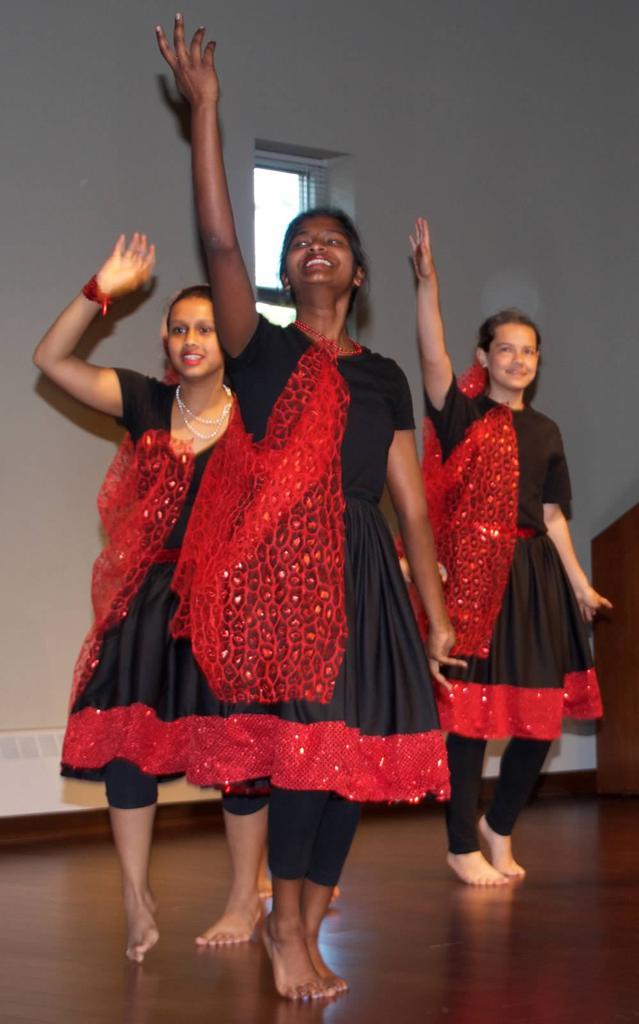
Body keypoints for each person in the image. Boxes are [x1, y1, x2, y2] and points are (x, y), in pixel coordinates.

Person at [155, 16, 461, 1001]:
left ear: (357, 273)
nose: (316, 247)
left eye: (334, 240)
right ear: (290, 275)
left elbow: (410, 503)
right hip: (291, 576)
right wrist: (207, 113)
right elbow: (215, 237)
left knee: (350, 758)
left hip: (367, 578)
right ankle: (282, 927)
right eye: (302, 242)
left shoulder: (381, 382)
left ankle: (309, 921)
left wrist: (439, 610)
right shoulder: (264, 353)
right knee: (301, 751)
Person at [33, 234, 241, 960]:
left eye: (206, 328)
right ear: (164, 337)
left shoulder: (256, 416)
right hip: (148, 599)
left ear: (230, 341)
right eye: (180, 327)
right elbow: (50, 361)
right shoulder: (146, 401)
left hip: (228, 601)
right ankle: (133, 893)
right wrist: (100, 290)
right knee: (128, 745)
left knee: (238, 750)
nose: (190, 340)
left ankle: (247, 895)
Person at [409, 216, 611, 887]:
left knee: (536, 722)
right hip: (474, 582)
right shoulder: (463, 419)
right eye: (504, 349)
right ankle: (459, 845)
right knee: (469, 723)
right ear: (484, 356)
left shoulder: (546, 430)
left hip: (533, 582)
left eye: (527, 351)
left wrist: (578, 586)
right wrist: (427, 285)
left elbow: (551, 517)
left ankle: (497, 827)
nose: (517, 360)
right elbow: (431, 358)